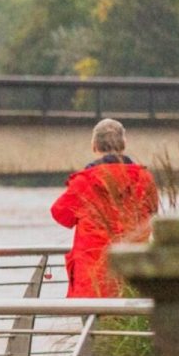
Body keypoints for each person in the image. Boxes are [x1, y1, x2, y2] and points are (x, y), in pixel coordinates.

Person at [51, 119, 158, 298]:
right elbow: (153, 210)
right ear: (124, 144)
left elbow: (60, 214)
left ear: (94, 146)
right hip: (133, 278)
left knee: (92, 326)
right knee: (133, 324)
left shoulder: (84, 182)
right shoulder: (144, 179)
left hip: (92, 283)